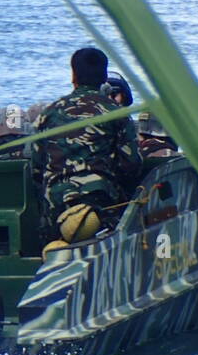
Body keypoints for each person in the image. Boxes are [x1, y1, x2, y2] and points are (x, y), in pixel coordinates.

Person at [32, 47, 142, 244]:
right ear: (104, 78)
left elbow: (36, 166)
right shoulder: (115, 113)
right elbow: (131, 165)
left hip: (56, 206)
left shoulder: (49, 113)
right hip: (101, 205)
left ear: (73, 75)